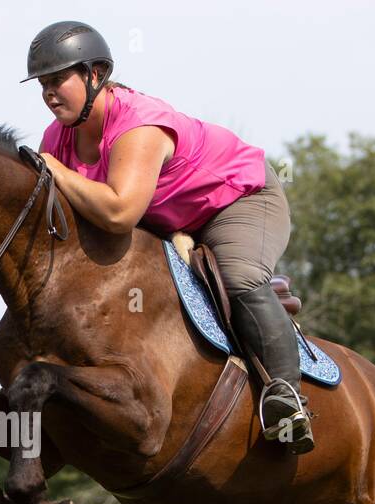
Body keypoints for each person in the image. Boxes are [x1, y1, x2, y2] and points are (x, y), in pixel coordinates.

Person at [26, 20, 313, 454]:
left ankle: (285, 397)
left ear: (95, 74)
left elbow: (120, 213)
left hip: (238, 201)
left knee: (237, 276)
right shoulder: (57, 139)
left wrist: (57, 171)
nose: (48, 93)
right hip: (169, 219)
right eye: (43, 84)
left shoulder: (138, 125)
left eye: (57, 80)